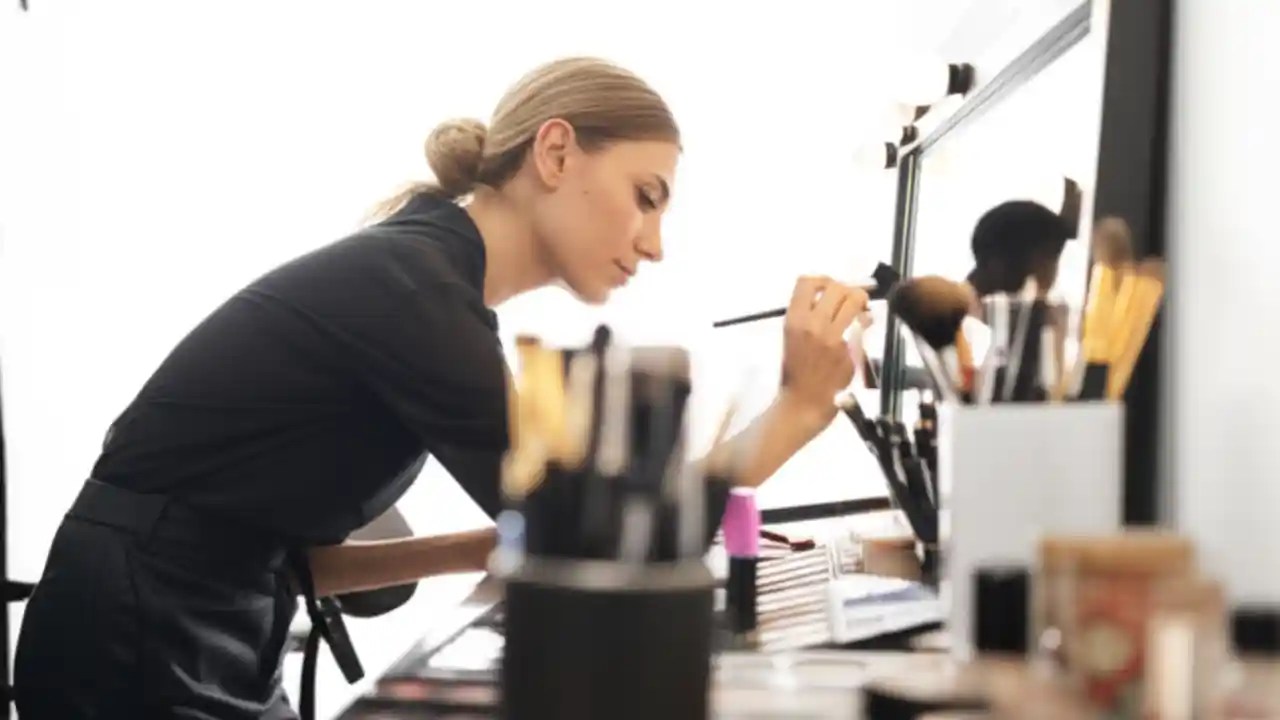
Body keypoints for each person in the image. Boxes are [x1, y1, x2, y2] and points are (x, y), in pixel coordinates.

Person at [13, 56, 869, 718]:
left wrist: (478, 548)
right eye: (646, 199)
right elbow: (604, 532)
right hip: (132, 650)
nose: (654, 245)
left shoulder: (428, 280)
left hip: (211, 629)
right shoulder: (412, 287)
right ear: (557, 150)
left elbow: (283, 554)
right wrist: (795, 409)